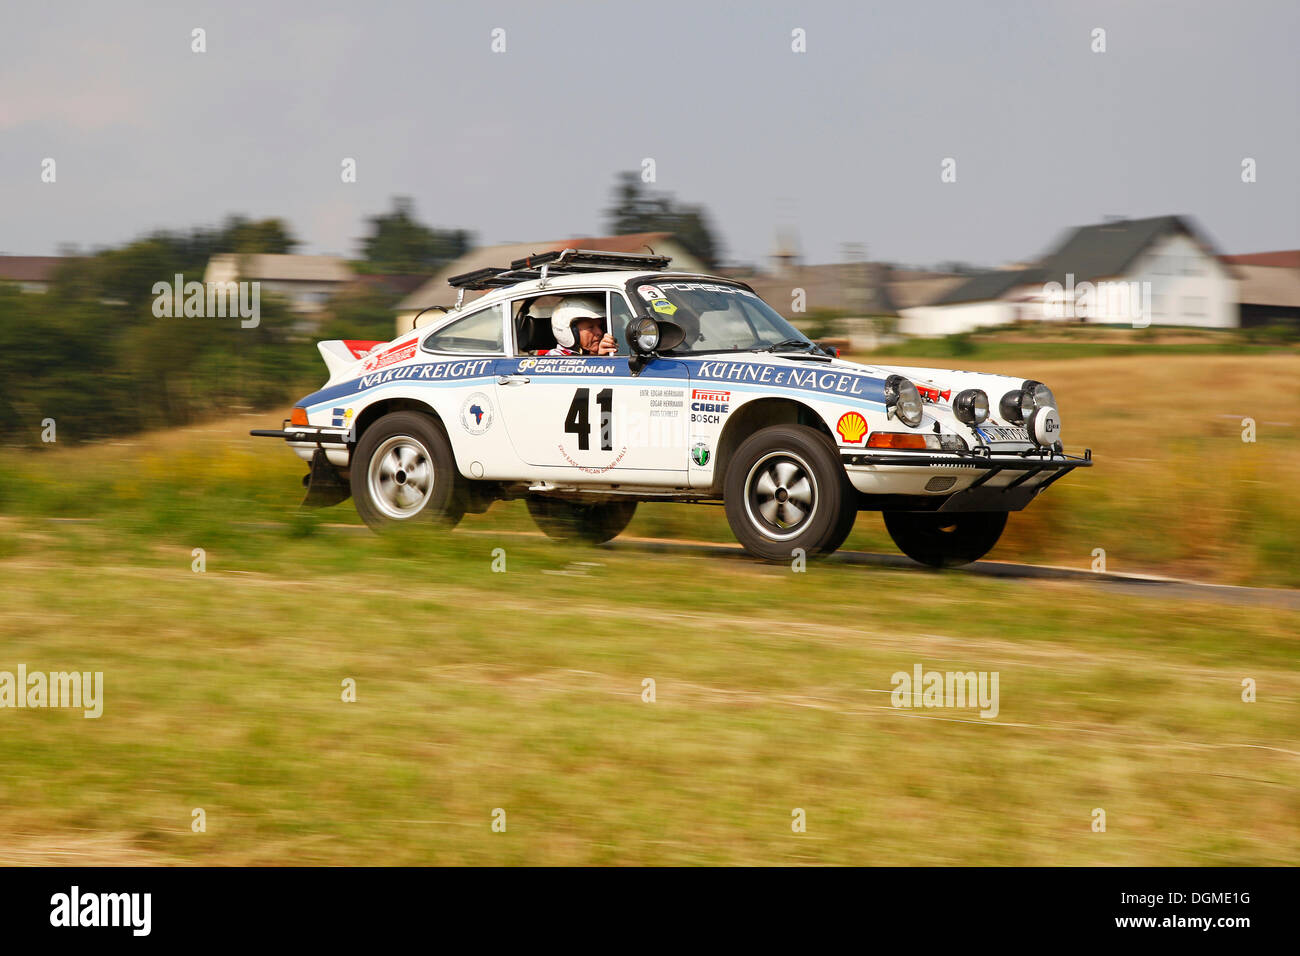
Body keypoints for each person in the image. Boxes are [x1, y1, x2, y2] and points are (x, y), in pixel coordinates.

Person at [547, 295, 618, 356]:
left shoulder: (587, 352)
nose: (599, 332)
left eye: (600, 326)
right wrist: (600, 360)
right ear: (570, 331)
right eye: (590, 327)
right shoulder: (555, 358)